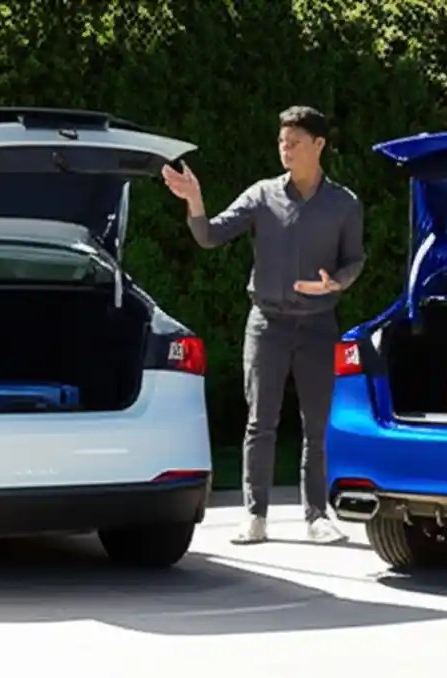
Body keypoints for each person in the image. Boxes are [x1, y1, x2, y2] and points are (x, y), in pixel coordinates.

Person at [161, 106, 365, 545]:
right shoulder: (261, 195)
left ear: (319, 145)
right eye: (281, 142)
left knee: (316, 425)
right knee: (261, 422)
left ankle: (317, 517)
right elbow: (210, 236)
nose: (285, 149)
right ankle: (254, 515)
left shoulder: (343, 204)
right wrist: (195, 202)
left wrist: (338, 282)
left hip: (317, 325)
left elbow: (355, 260)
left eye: (293, 142)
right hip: (267, 324)